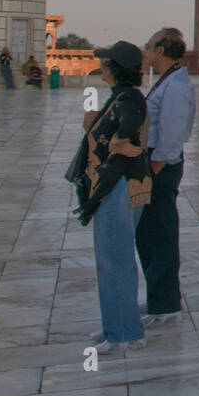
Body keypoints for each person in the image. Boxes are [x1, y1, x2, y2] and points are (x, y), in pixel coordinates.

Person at [68, 41, 151, 354]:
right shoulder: (122, 96)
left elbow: (129, 127)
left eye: (105, 63)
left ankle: (125, 334)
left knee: (114, 260)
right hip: (123, 184)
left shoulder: (128, 97)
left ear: (115, 68)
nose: (101, 67)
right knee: (115, 259)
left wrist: (120, 142)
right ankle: (116, 324)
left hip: (119, 185)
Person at [113, 27, 195, 327]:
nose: (146, 51)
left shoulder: (175, 86)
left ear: (161, 50)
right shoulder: (169, 81)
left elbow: (173, 135)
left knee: (159, 234)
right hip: (155, 164)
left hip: (160, 166)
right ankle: (160, 299)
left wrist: (153, 169)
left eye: (149, 46)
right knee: (149, 234)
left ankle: (166, 304)